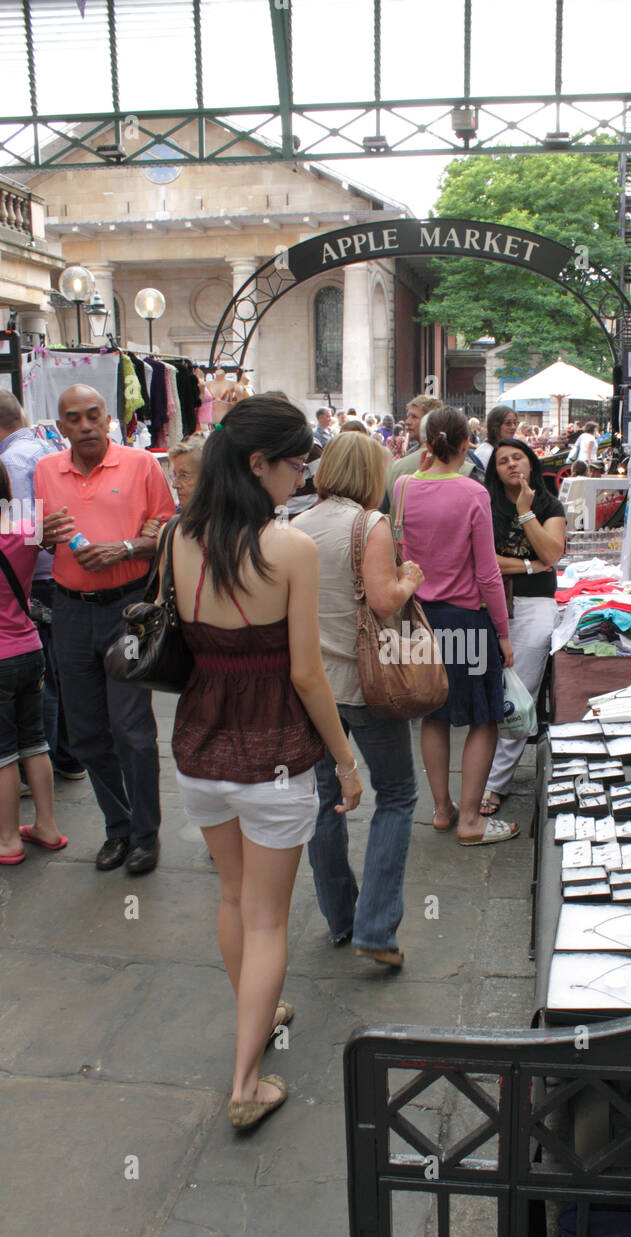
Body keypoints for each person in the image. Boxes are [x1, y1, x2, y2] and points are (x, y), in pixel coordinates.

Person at [170, 395, 363, 1128]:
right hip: (274, 753)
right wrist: (345, 758)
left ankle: (258, 1009)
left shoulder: (178, 536)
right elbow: (308, 675)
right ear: (259, 464)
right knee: (267, 922)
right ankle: (246, 1082)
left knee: (232, 899)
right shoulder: (290, 548)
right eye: (296, 462)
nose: (302, 475)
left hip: (199, 746)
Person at [293, 431, 424, 967]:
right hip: (368, 684)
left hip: (311, 687)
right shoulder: (370, 524)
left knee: (323, 799)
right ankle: (376, 928)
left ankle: (340, 918)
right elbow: (384, 599)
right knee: (397, 794)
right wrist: (409, 578)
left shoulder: (296, 523)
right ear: (372, 474)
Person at [34, 385, 176, 874]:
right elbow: (37, 536)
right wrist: (43, 535)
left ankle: (146, 834)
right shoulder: (45, 469)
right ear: (61, 427)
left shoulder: (141, 464)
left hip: (127, 611)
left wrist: (125, 548)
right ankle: (118, 827)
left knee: (131, 728)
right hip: (70, 611)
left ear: (109, 419)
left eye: (93, 415)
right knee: (86, 730)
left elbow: (168, 531)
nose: (86, 426)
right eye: (74, 418)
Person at [394, 407, 518, 847]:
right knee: (483, 718)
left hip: (419, 620)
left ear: (427, 443)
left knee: (434, 716)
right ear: (467, 444)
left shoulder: (403, 487)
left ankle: (442, 809)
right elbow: (487, 573)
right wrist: (503, 633)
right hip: (466, 619)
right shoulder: (472, 493)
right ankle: (470, 818)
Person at [0, 389, 84, 784]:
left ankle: (37, 765)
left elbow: (14, 531)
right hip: (49, 576)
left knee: (43, 683)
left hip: (31, 582)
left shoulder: (11, 461)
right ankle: (65, 757)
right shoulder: (44, 448)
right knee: (53, 676)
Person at [480, 438, 566, 816]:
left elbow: (552, 553)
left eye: (518, 457)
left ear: (531, 463)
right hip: (489, 605)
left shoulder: (549, 506)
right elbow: (483, 560)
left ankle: (495, 783)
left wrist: (526, 513)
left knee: (520, 694)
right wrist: (530, 565)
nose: (512, 464)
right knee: (486, 693)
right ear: (495, 471)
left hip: (535, 607)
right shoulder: (485, 505)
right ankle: (480, 773)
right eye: (503, 461)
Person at [0, 457, 66, 862]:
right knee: (35, 741)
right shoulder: (26, 531)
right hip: (30, 648)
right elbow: (55, 531)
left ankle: (8, 838)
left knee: (3, 753)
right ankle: (47, 826)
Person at [386, 393, 442, 505]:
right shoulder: (410, 452)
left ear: (431, 421)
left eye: (414, 417)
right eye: (408, 416)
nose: (407, 421)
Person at [471, 405, 519, 471]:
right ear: (496, 426)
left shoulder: (508, 448)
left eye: (515, 423)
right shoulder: (485, 452)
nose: (513, 427)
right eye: (508, 423)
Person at [168, 433, 206, 511]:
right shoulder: (180, 516)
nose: (175, 485)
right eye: (174, 475)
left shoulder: (225, 517)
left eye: (184, 476)